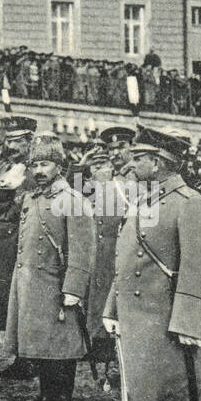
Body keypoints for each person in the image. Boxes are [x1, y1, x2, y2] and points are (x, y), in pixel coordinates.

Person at [103, 125, 201, 401]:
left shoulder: (190, 203)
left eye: (139, 158)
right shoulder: (145, 201)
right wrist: (112, 307)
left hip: (170, 320)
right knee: (155, 400)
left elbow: (199, 268)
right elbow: (124, 261)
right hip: (142, 319)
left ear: (159, 162)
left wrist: (188, 321)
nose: (132, 163)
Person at [6, 135, 95, 401]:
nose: (39, 171)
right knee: (41, 342)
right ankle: (46, 395)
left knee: (61, 343)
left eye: (45, 164)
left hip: (57, 282)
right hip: (32, 282)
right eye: (34, 165)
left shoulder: (72, 199)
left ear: (59, 166)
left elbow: (82, 249)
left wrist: (74, 288)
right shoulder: (32, 198)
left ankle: (61, 400)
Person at [0, 115, 37, 378]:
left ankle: (30, 359)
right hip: (3, 241)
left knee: (26, 298)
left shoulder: (38, 168)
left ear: (30, 141)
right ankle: (20, 357)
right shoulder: (8, 166)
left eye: (17, 141)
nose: (11, 146)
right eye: (9, 140)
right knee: (8, 299)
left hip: (26, 240)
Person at [79, 145, 131, 385]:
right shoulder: (91, 188)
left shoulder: (123, 184)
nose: (100, 170)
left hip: (113, 249)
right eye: (95, 166)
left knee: (109, 296)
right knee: (93, 296)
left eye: (103, 165)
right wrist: (83, 162)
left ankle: (107, 345)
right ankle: (95, 341)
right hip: (94, 250)